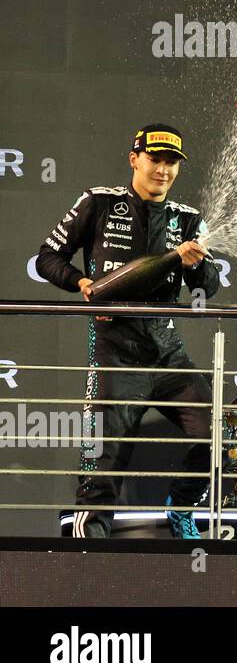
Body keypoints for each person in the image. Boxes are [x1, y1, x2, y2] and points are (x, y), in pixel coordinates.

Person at [36, 124, 221, 539]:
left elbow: (208, 287)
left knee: (217, 435)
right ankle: (89, 558)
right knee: (103, 466)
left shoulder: (188, 218)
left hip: (167, 352)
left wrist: (193, 264)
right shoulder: (99, 202)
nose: (162, 170)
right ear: (134, 158)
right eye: (155, 159)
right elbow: (48, 256)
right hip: (115, 352)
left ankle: (182, 506)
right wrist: (79, 282)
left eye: (171, 162)